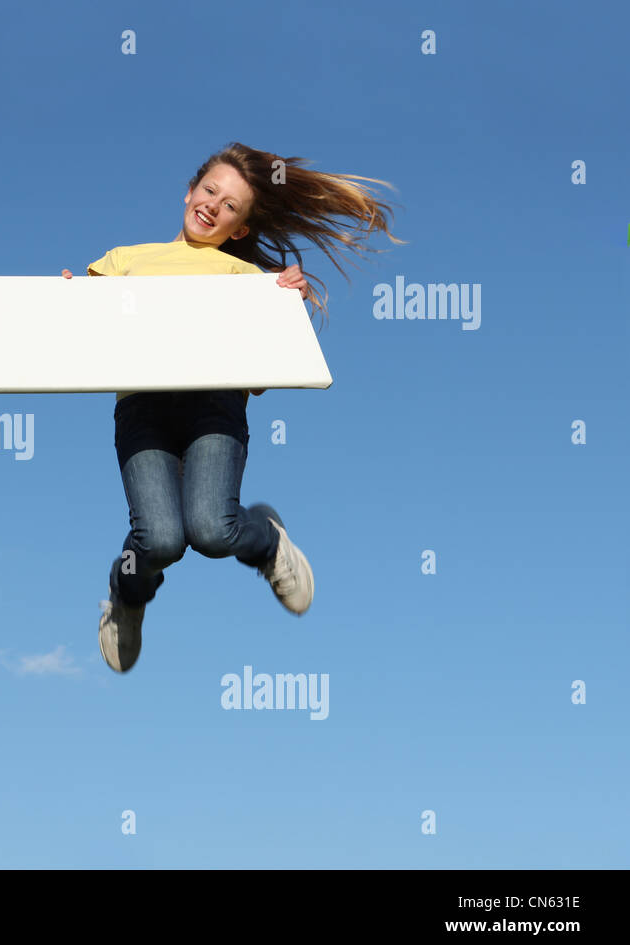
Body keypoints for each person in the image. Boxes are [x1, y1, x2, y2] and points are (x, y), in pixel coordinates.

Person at [67, 142, 402, 673]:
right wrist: (66, 299)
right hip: (143, 410)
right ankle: (127, 598)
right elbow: (79, 332)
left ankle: (267, 541)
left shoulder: (241, 277)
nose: (213, 206)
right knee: (159, 540)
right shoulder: (123, 259)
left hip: (213, 410)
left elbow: (264, 374)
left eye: (230, 207)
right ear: (189, 191)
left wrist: (282, 301)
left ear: (240, 229)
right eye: (209, 191)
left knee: (211, 531)